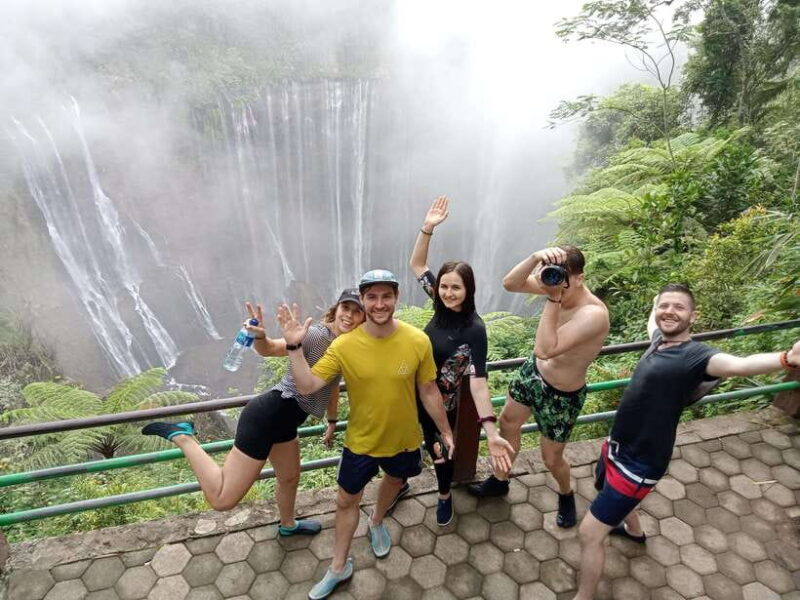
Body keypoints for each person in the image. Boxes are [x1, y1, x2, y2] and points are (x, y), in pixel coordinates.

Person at [573, 283, 800, 600]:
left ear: (693, 317)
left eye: (678, 307)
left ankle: (584, 596)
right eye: (664, 305)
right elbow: (654, 322)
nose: (669, 312)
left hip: (640, 463)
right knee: (604, 489)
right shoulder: (658, 340)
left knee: (589, 533)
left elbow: (739, 365)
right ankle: (635, 533)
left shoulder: (697, 356)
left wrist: (786, 359)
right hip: (618, 445)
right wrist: (656, 303)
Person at [277, 269, 455, 600]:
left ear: (396, 298)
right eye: (371, 297)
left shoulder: (417, 340)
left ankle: (375, 520)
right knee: (345, 500)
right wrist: (293, 346)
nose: (379, 303)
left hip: (403, 438)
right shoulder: (344, 345)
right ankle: (338, 566)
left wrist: (446, 430)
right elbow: (309, 385)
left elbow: (429, 390)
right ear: (362, 300)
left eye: (386, 296)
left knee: (395, 480)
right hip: (360, 440)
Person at [141, 289, 365, 537]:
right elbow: (270, 349)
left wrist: (332, 421)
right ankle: (184, 436)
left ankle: (288, 525)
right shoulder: (314, 335)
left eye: (357, 312)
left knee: (289, 478)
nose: (350, 316)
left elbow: (330, 384)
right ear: (337, 310)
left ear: (363, 320)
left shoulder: (346, 346)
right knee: (222, 500)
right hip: (267, 416)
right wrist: (260, 337)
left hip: (286, 422)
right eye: (346, 309)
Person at [468, 245, 609, 530]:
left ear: (580, 278)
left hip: (562, 393)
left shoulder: (593, 313)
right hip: (532, 374)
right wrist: (535, 258)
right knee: (508, 423)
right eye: (550, 275)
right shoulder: (556, 286)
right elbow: (510, 283)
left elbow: (546, 349)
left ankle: (566, 493)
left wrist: (552, 297)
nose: (552, 282)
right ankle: (500, 480)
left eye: (561, 277)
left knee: (551, 457)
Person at [407, 195, 513, 526]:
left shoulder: (474, 330)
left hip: (443, 403)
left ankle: (443, 495)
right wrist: (427, 229)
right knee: (408, 443)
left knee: (440, 450)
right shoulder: (438, 303)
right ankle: (398, 482)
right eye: (445, 287)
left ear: (469, 290)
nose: (449, 293)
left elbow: (479, 382)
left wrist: (492, 432)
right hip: (413, 391)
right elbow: (417, 266)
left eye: (456, 288)